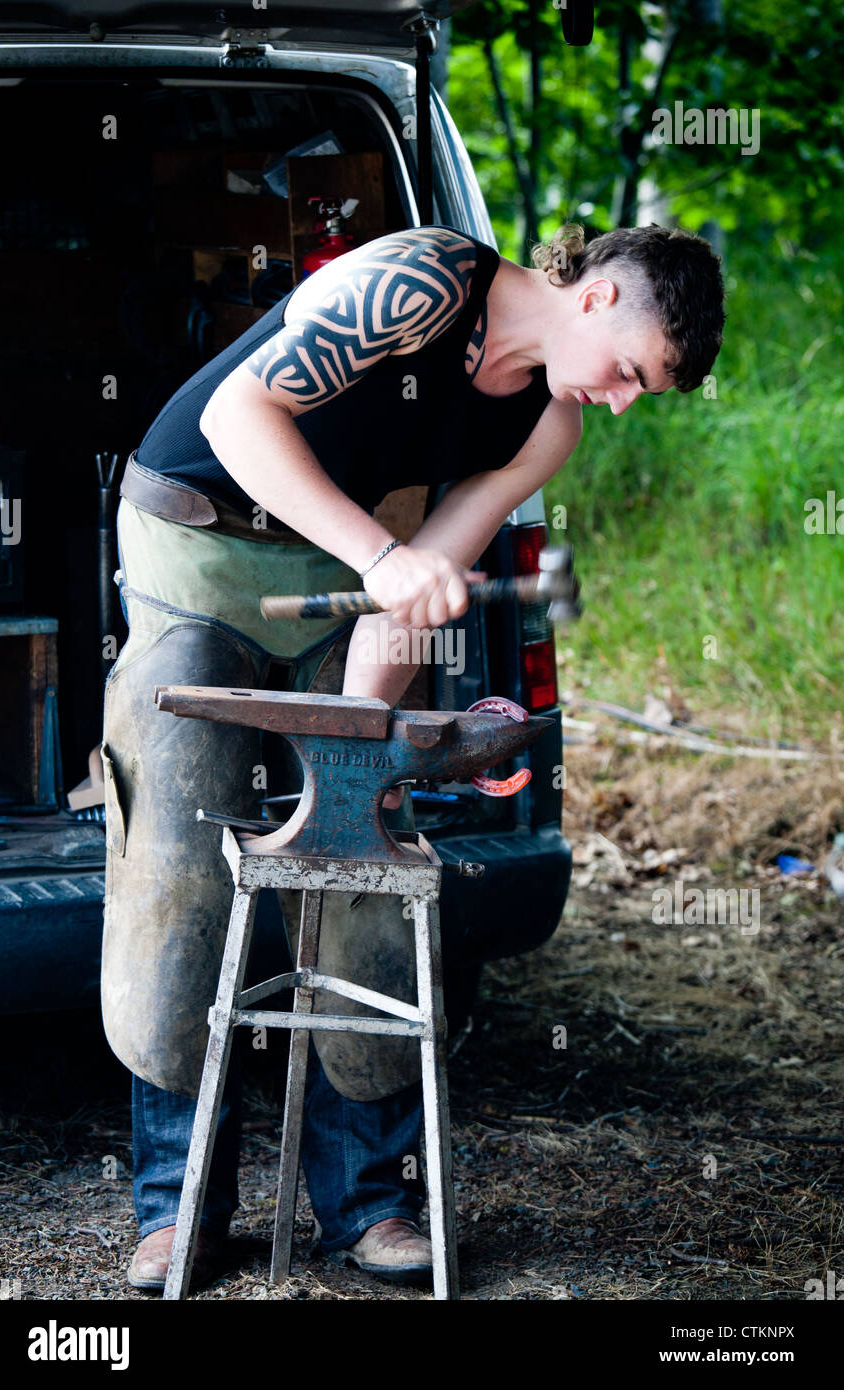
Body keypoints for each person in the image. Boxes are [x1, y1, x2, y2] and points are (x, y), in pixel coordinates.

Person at [100, 221, 725, 1292]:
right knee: (185, 849)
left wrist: (352, 752)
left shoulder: (547, 429)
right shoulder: (419, 280)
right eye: (629, 373)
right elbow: (235, 415)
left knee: (365, 850)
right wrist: (381, 557)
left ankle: (367, 1203)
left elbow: (422, 581)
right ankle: (179, 1209)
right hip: (203, 529)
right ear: (598, 302)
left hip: (342, 550)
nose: (620, 400)